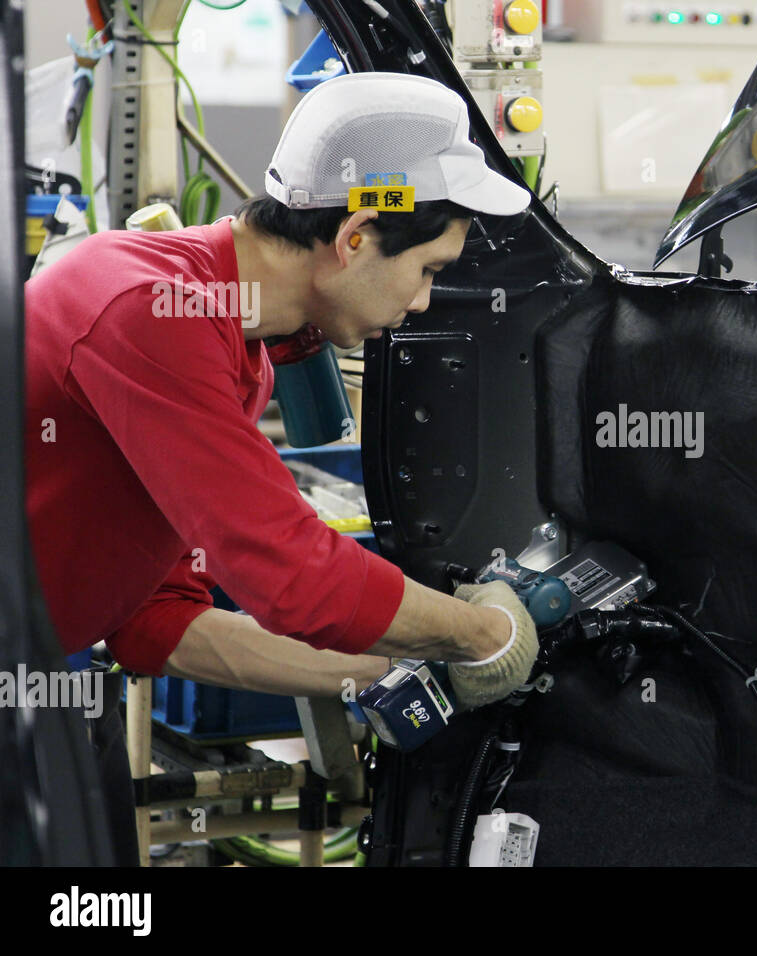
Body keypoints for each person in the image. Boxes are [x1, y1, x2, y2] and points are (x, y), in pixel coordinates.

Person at [24, 72, 537, 708]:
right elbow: (294, 576)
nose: (424, 301)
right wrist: (485, 633)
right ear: (356, 236)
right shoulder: (150, 310)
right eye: (428, 269)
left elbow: (156, 620)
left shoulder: (236, 341)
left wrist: (393, 675)